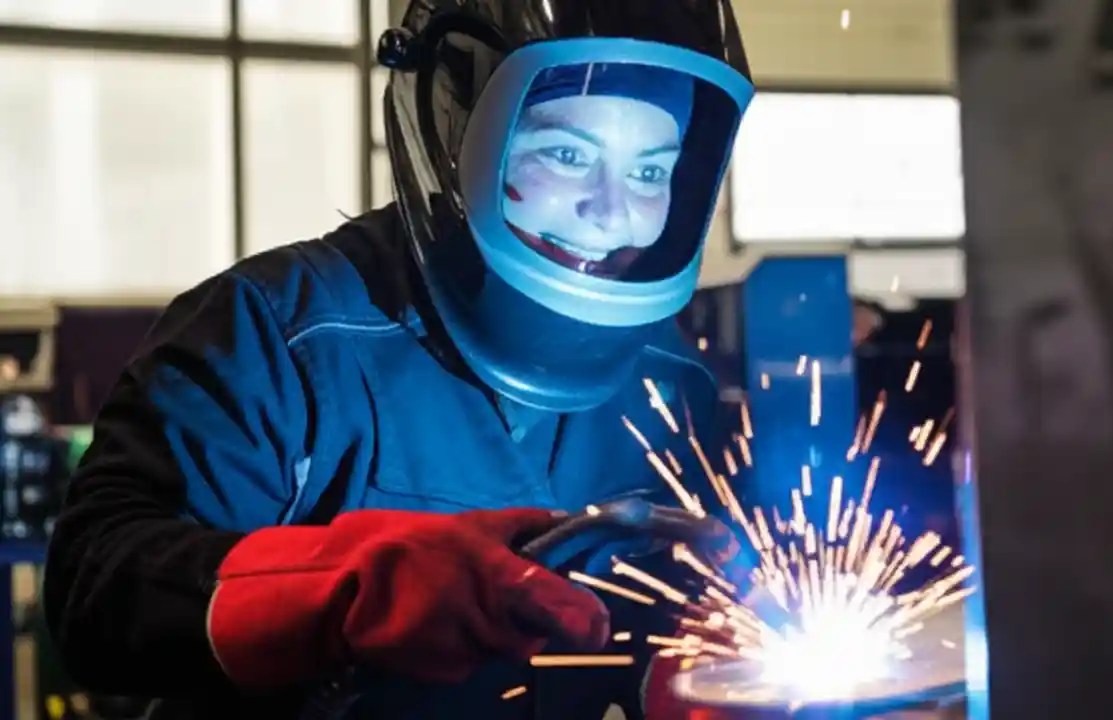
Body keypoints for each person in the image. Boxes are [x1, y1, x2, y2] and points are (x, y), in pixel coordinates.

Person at [41, 1, 754, 718]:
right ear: (459, 135)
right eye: (567, 155)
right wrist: (343, 591)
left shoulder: (671, 385)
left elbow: (673, 618)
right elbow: (94, 591)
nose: (613, 215)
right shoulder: (276, 332)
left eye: (650, 173)